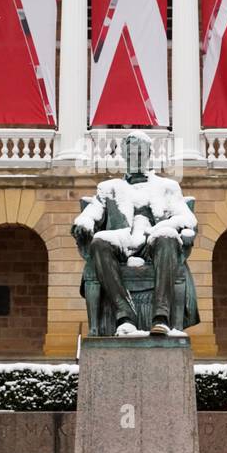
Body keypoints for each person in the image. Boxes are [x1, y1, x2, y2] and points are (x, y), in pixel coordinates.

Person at [72, 131, 197, 336]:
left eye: (140, 154)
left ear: (148, 155)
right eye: (131, 154)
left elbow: (187, 218)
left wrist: (163, 229)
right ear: (124, 156)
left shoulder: (167, 187)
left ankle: (161, 318)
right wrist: (85, 222)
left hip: (153, 244)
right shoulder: (108, 188)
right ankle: (125, 315)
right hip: (122, 242)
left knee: (167, 236)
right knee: (100, 241)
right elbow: (92, 212)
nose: (136, 159)